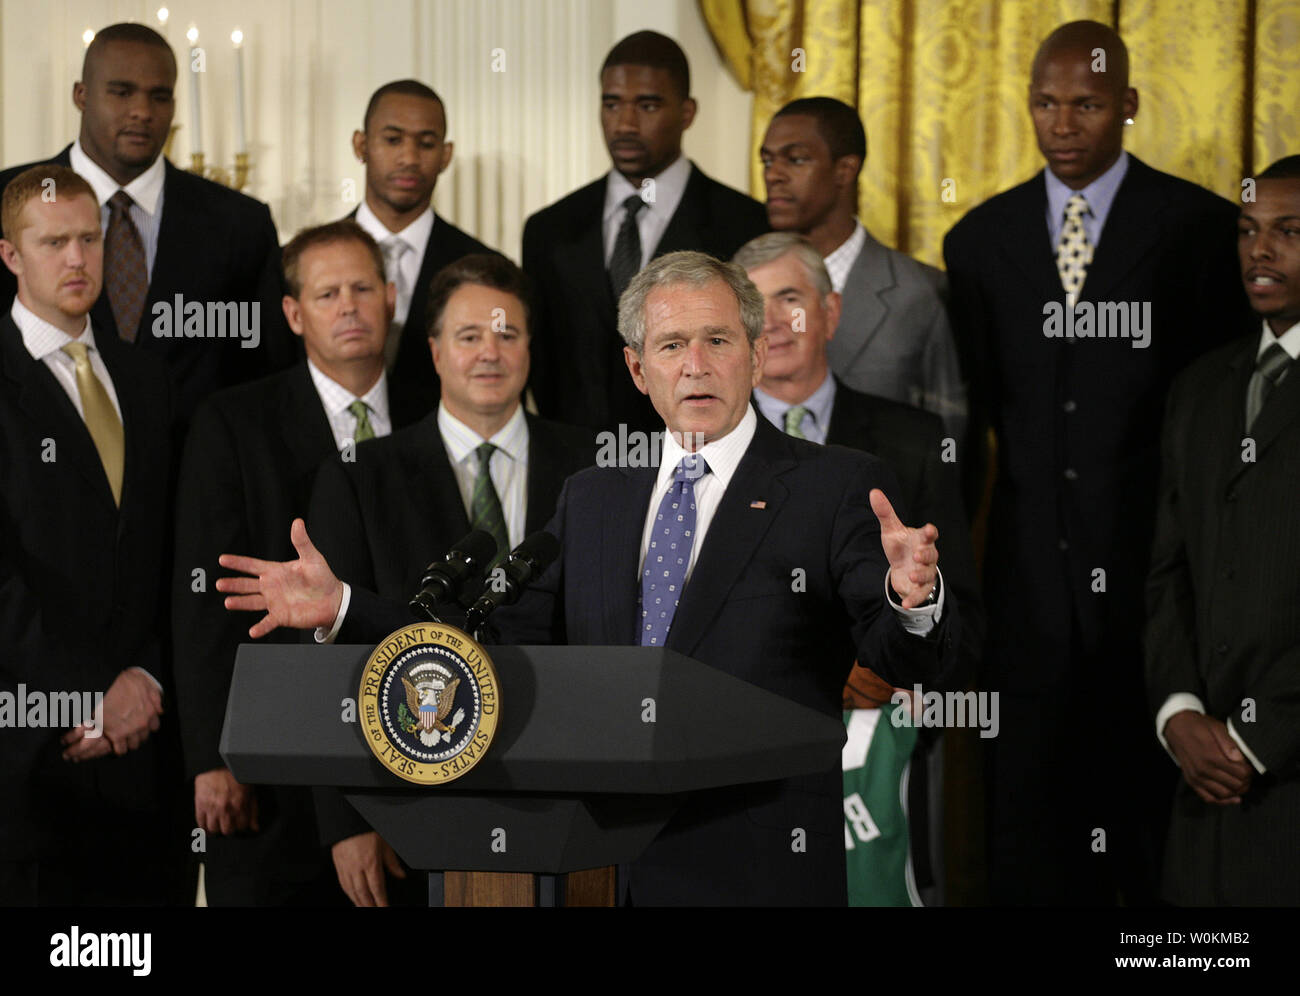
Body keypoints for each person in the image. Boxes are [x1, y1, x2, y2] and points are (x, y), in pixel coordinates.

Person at [218, 251, 961, 906]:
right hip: (599, 872)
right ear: (640, 369)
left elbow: (904, 658)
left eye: (717, 340)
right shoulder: (595, 497)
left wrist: (912, 598)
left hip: (760, 870)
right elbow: (485, 652)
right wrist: (346, 608)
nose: (695, 364)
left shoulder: (834, 486)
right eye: (671, 344)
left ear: (756, 355)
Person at [942, 19, 1250, 905]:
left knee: (1149, 827)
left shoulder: (1198, 228)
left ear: (1129, 106)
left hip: (1157, 586)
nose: (1063, 123)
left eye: (1086, 103)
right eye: (1046, 102)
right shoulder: (980, 241)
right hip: (1026, 588)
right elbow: (974, 427)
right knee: (1026, 822)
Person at [222, 255, 593, 906]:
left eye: (508, 334)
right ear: (435, 350)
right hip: (409, 808)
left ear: (532, 347)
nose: (489, 353)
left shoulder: (594, 471)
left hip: (571, 802)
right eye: (469, 335)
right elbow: (331, 662)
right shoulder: (361, 475)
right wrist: (350, 820)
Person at [171, 221, 425, 906]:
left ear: (392, 296)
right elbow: (202, 599)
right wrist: (216, 757)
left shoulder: (440, 410)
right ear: (293, 313)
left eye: (363, 288)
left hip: (417, 748)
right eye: (326, 293)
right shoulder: (232, 421)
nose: (348, 306)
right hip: (272, 770)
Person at [735, 231, 981, 905]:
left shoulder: (914, 443)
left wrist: (896, 662)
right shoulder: (702, 447)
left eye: (792, 298)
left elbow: (962, 614)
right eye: (755, 305)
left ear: (832, 312)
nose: (777, 322)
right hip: (741, 776)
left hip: (882, 777)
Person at [0, 165, 176, 904]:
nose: (76, 258)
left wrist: (147, 678)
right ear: (11, 255)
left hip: (153, 759)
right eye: (52, 242)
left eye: (88, 238)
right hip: (33, 763)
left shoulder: (146, 379)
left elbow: (175, 555)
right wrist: (85, 695)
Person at [0, 22, 292, 425]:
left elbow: (266, 372)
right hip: (37, 470)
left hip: (193, 477)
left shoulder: (239, 223)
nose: (142, 111)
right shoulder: (6, 202)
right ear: (81, 96)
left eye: (160, 96)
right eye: (121, 92)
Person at [1145, 157, 1300, 906]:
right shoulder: (1200, 388)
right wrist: (1179, 714)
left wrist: (1254, 739)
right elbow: (1168, 572)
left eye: (1288, 232)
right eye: (1247, 231)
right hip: (1198, 796)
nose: (1259, 251)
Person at [523, 30, 767, 434]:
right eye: (612, 104)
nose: (625, 123)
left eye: (648, 105)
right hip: (579, 466)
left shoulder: (745, 225)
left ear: (687, 113)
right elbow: (543, 363)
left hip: (705, 461)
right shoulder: (549, 229)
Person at [761, 98, 964, 442]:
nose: (774, 175)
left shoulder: (920, 292)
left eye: (796, 159)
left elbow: (950, 428)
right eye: (767, 160)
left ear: (845, 170)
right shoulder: (735, 284)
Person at [345, 79, 502, 415]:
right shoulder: (308, 261)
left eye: (426, 143)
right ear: (361, 145)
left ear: (446, 155)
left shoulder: (485, 268)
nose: (409, 158)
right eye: (392, 139)